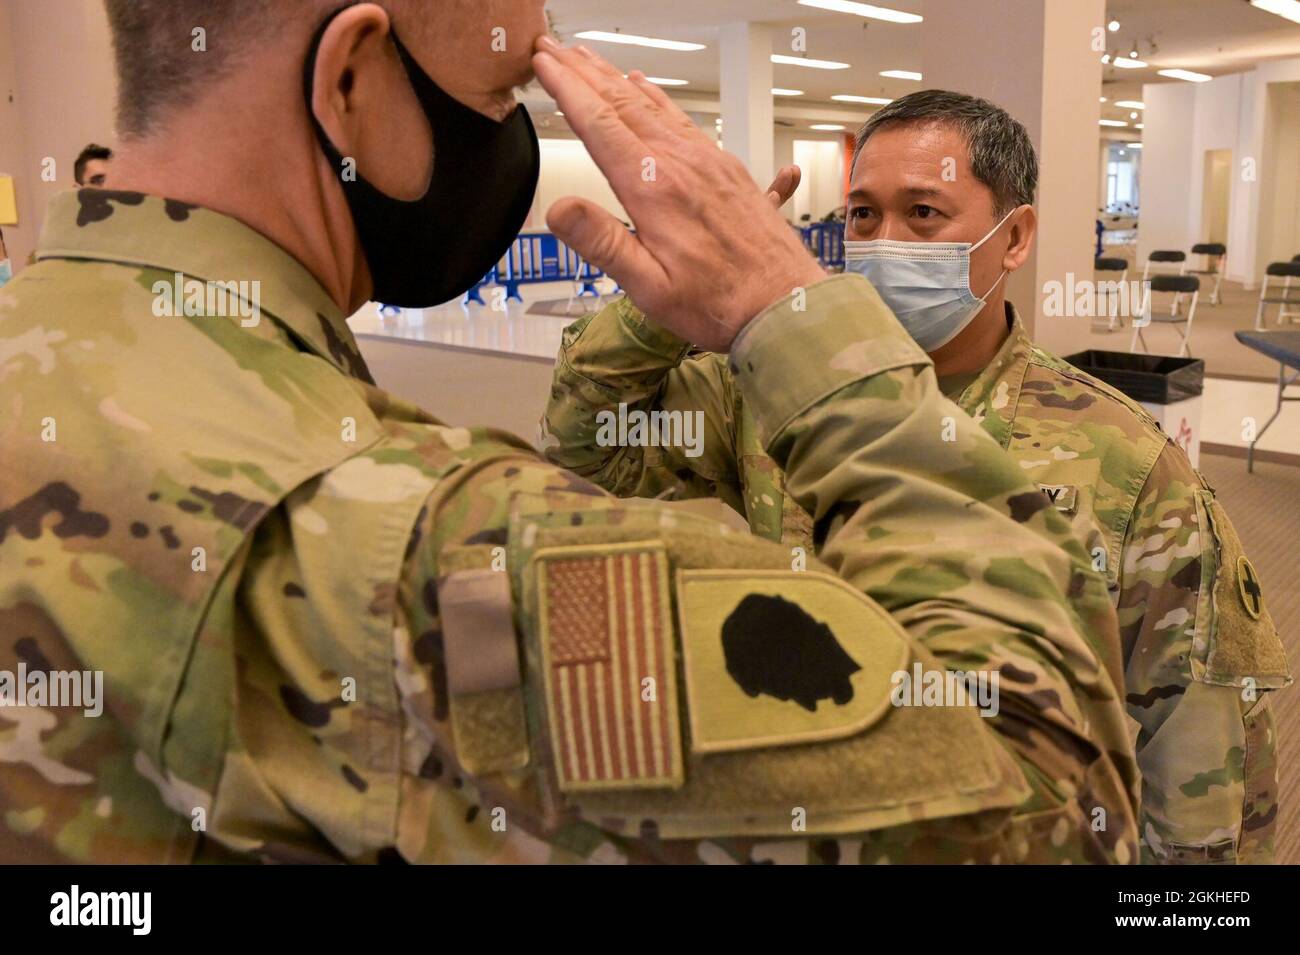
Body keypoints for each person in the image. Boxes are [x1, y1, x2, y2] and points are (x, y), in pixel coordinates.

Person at [0, 1, 1135, 864]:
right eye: (501, 102)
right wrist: (812, 332)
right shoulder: (432, 536)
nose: (514, 152)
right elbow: (1045, 792)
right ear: (350, 83)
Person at [542, 89, 1290, 864]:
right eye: (863, 215)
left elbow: (1201, 764)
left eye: (923, 214)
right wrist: (668, 297)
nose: (882, 242)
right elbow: (587, 446)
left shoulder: (1123, 461)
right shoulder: (771, 395)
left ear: (1015, 237)